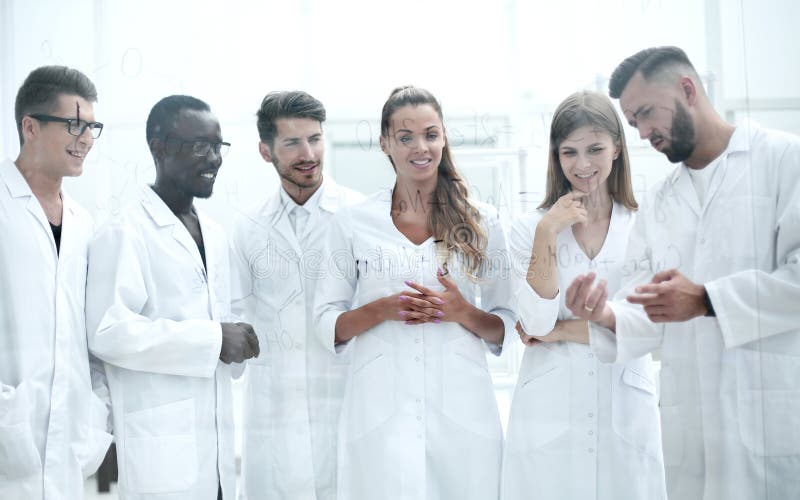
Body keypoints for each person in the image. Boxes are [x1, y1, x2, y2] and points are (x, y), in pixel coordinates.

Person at [567, 46, 800, 500]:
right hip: (690, 432)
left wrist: (708, 299)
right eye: (633, 123)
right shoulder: (659, 201)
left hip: (769, 420)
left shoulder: (784, 160)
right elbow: (643, 304)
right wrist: (605, 315)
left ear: (688, 90)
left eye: (646, 114)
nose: (643, 133)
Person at [314, 86, 514, 500]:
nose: (420, 148)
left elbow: (507, 325)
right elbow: (325, 324)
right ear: (384, 143)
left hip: (462, 412)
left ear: (444, 138)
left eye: (430, 134)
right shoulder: (353, 222)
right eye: (405, 137)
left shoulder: (483, 221)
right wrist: (383, 309)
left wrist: (462, 312)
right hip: (380, 413)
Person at [85, 95, 259, 500]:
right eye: (201, 146)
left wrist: (238, 338)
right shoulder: (125, 231)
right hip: (161, 455)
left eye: (218, 145)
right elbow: (108, 331)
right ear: (159, 147)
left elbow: (222, 319)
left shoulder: (214, 233)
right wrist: (214, 339)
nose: (214, 158)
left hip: (216, 452)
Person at [501, 91, 666, 500]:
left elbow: (647, 329)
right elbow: (536, 323)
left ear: (617, 148)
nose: (582, 165)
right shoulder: (530, 228)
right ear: (555, 156)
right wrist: (547, 233)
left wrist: (560, 332)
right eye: (569, 152)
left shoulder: (645, 226)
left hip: (624, 403)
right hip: (549, 408)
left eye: (595, 149)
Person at [230, 90, 364, 500]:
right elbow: (236, 322)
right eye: (292, 143)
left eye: (315, 139)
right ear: (265, 151)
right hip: (275, 412)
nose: (308, 154)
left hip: (348, 403)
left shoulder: (361, 216)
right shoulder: (248, 227)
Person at [0, 65, 112, 500]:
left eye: (91, 128)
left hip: (67, 448)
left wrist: (97, 410)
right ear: (30, 127)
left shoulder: (84, 223)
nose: (85, 139)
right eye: (73, 124)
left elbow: (89, 332)